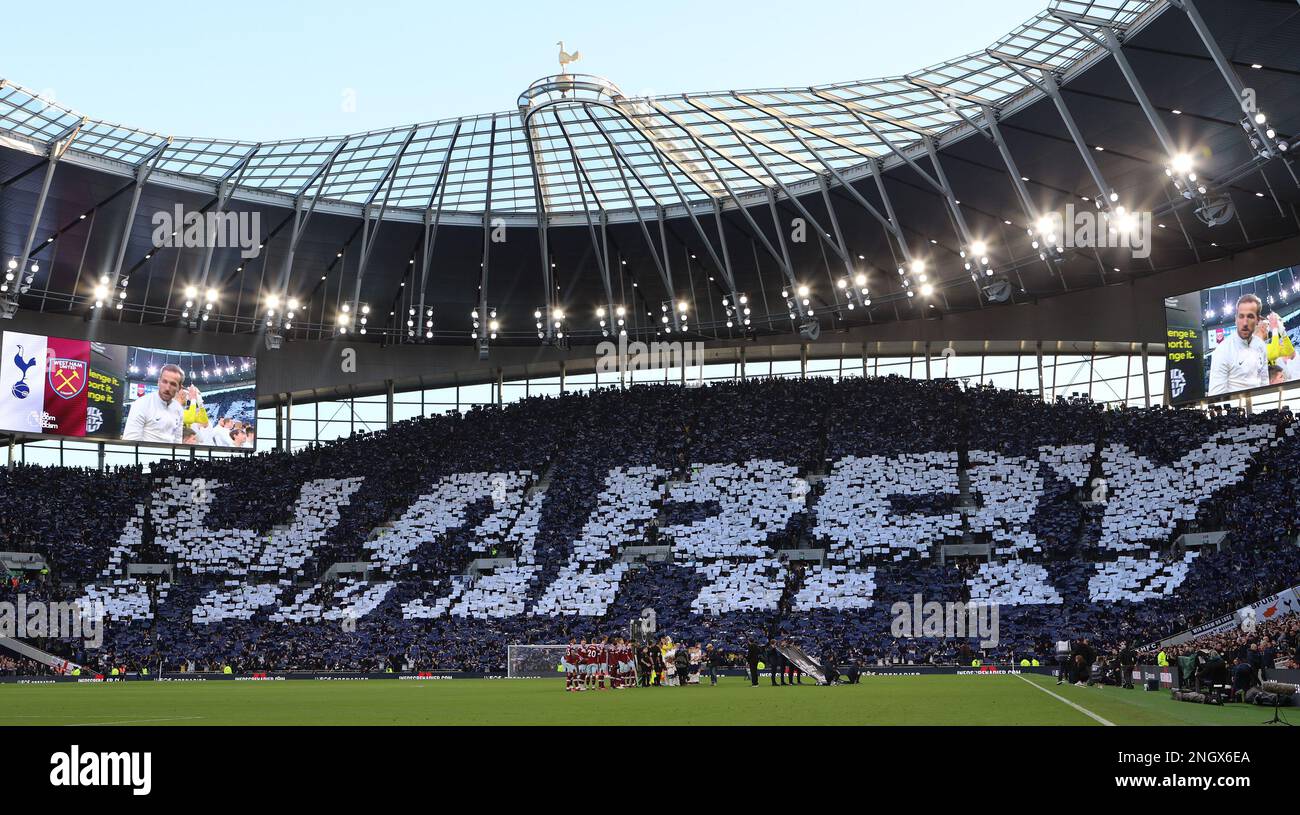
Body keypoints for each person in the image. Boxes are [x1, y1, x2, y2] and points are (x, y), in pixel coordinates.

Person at [1208, 294, 1268, 396]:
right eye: (1241, 316)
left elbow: (1264, 382)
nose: (1245, 323)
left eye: (1250, 316)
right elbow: (1216, 396)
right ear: (1236, 319)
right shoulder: (1223, 350)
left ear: (1257, 320)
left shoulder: (1261, 345)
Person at [121, 364, 186, 443]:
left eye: (173, 384)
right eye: (164, 382)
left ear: (179, 388)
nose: (167, 388)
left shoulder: (179, 409)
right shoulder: (142, 403)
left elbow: (177, 440)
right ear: (158, 382)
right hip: (144, 454)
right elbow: (130, 441)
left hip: (170, 454)